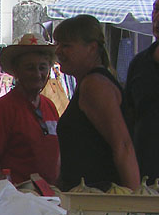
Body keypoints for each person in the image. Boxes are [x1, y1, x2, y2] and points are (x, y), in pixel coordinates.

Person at [53, 14, 140, 191]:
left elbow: (123, 146)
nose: (58, 51)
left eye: (66, 45)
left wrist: (134, 204)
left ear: (92, 48)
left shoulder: (95, 85)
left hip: (99, 201)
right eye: (58, 44)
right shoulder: (89, 83)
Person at [0, 34, 60, 186]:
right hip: (17, 199)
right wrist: (2, 198)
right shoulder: (2, 109)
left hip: (48, 198)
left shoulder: (50, 106)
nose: (37, 74)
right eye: (30, 68)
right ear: (16, 71)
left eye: (42, 68)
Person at [123, 0, 159, 183]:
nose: (157, 17)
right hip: (146, 180)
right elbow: (130, 117)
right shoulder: (139, 64)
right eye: (156, 9)